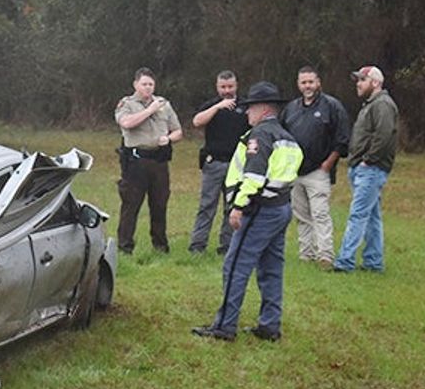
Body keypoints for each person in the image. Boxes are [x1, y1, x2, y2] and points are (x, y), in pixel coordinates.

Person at [193, 82, 302, 342]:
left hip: (259, 210)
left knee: (235, 266)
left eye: (250, 108)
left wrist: (239, 205)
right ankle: (269, 325)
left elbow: (253, 176)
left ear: (263, 109)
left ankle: (224, 326)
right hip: (281, 208)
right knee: (272, 269)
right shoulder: (286, 137)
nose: (246, 114)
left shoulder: (259, 137)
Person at [280, 66, 350, 268]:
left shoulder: (332, 106)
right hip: (295, 172)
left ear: (318, 82)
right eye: (303, 82)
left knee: (320, 214)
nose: (307, 86)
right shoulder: (291, 108)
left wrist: (328, 164)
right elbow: (281, 134)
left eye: (311, 82)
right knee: (301, 216)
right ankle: (306, 254)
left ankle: (325, 256)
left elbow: (343, 138)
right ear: (298, 84)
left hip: (319, 171)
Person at [333, 65, 398, 273]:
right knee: (372, 216)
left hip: (371, 169)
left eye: (362, 80)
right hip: (363, 168)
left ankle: (344, 262)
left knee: (358, 214)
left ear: (375, 83)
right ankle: (373, 262)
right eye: (358, 80)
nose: (358, 84)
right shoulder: (371, 104)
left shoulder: (383, 104)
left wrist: (369, 160)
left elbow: (384, 135)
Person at [114, 67, 183, 254]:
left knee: (159, 205)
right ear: (135, 84)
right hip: (136, 162)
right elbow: (126, 123)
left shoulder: (164, 104)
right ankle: (125, 247)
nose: (148, 88)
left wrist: (169, 138)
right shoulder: (126, 104)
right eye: (144, 84)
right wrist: (150, 110)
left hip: (159, 162)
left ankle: (160, 246)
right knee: (131, 205)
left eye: (151, 84)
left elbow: (178, 131)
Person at [189, 70, 249, 255]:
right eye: (223, 87)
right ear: (217, 87)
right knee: (207, 206)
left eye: (230, 86)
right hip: (213, 164)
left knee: (232, 207)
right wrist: (218, 107)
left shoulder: (245, 106)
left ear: (236, 85)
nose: (227, 90)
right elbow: (197, 122)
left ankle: (228, 245)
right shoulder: (212, 106)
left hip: (237, 166)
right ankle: (198, 245)